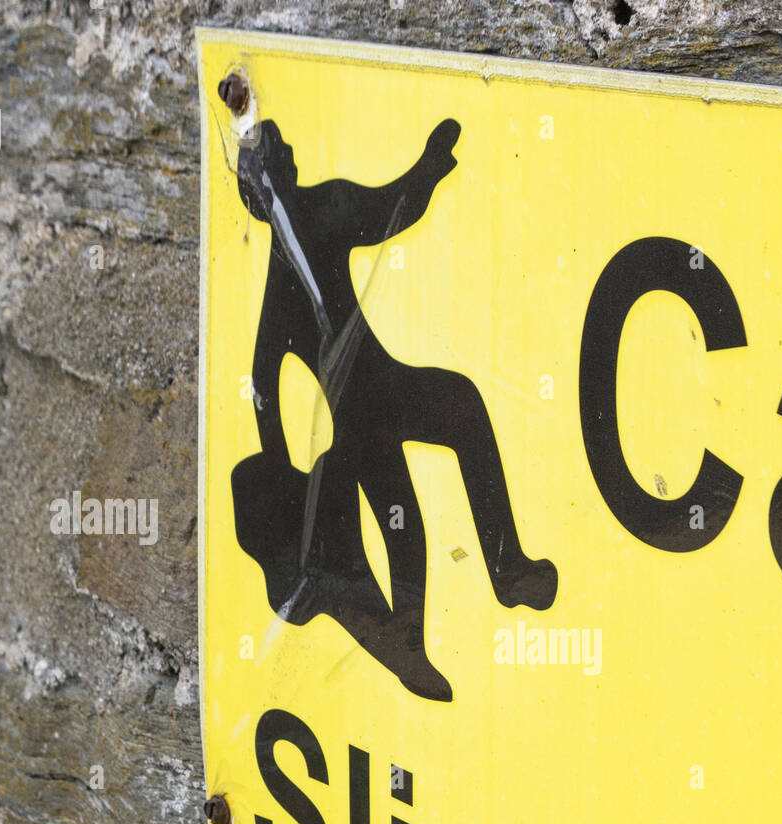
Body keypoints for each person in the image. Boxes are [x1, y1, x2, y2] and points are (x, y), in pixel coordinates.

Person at [230, 116, 557, 702]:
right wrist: (285, 471)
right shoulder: (281, 276)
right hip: (357, 420)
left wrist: (430, 167)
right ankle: (411, 650)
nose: (294, 159)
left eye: (284, 153)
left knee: (463, 405)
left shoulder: (324, 208)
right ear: (268, 185)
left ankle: (508, 569)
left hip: (388, 383)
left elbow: (389, 210)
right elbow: (260, 378)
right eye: (281, 159)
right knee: (405, 522)